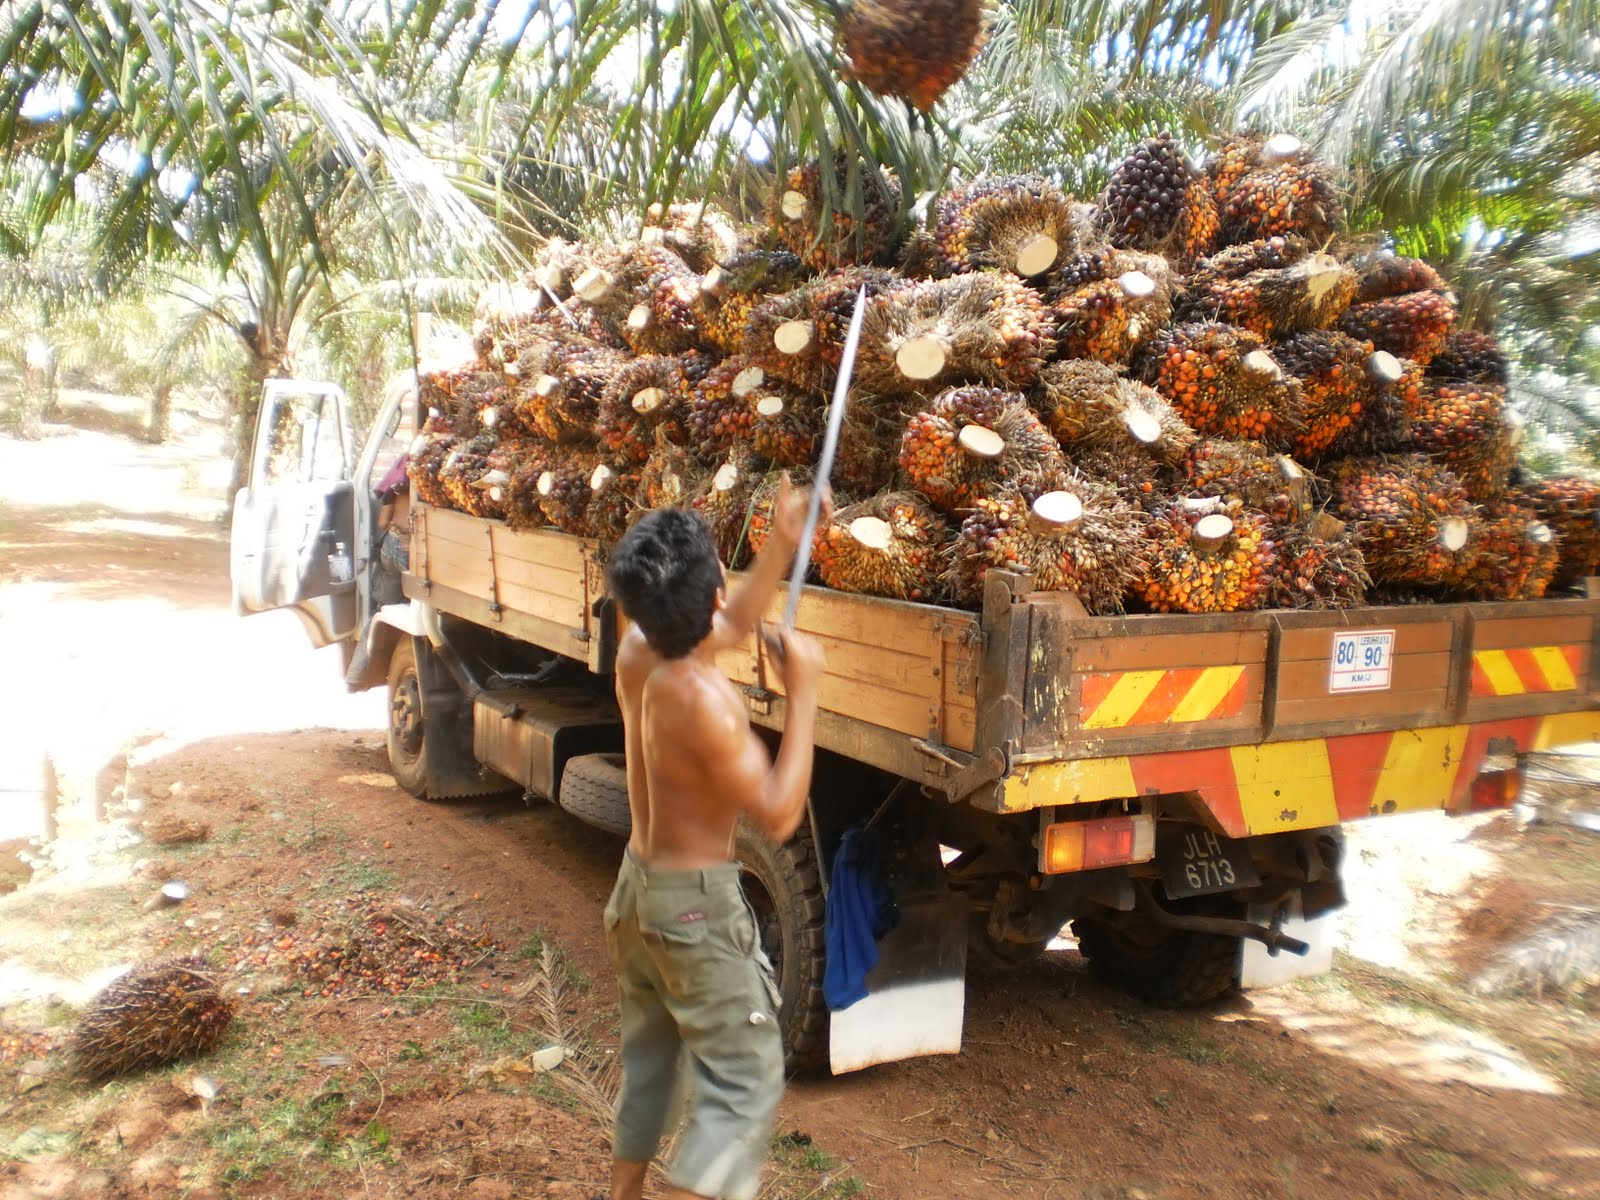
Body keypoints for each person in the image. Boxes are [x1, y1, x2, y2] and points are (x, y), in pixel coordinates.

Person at [602, 475, 829, 1200]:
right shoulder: (706, 703)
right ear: (713, 593)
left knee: (652, 1059)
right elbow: (781, 810)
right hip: (693, 912)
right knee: (744, 1075)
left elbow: (722, 628)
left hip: (638, 891)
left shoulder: (641, 650)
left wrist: (782, 549)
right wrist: (807, 697)